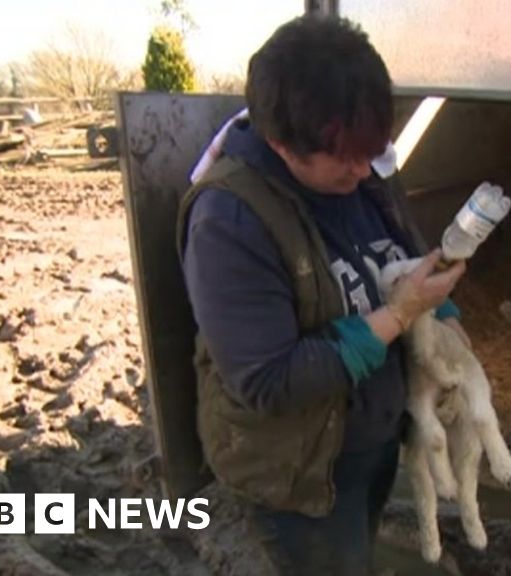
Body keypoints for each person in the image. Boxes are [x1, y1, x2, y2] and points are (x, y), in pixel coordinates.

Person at [176, 14, 469, 575]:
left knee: (355, 553)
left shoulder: (359, 165)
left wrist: (446, 318)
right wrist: (402, 312)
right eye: (348, 158)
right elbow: (269, 379)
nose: (365, 170)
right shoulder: (230, 220)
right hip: (299, 471)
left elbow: (401, 249)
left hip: (366, 442)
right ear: (282, 144)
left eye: (373, 150)